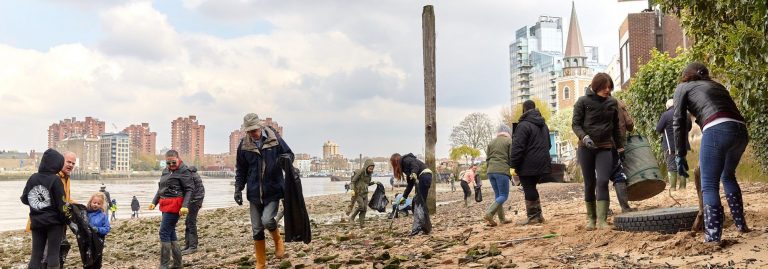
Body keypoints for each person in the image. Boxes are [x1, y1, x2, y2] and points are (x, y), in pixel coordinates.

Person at [672, 63, 749, 245]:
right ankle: (741, 225)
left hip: (717, 129)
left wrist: (679, 154)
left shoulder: (682, 87)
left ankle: (713, 237)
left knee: (708, 184)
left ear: (686, 76)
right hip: (740, 130)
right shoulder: (717, 85)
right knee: (728, 176)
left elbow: (679, 121)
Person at [233, 113, 294, 269]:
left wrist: (286, 160)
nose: (252, 133)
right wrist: (238, 189)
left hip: (273, 189)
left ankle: (278, 240)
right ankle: (261, 263)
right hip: (254, 193)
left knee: (267, 220)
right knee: (256, 228)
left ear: (260, 126)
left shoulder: (275, 139)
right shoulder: (243, 146)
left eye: (254, 130)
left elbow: (290, 155)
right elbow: (241, 169)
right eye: (249, 131)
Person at [572, 72, 623, 230]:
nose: (607, 90)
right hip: (585, 148)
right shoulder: (582, 101)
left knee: (602, 181)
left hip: (605, 147)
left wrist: (620, 147)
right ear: (596, 87)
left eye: (609, 87)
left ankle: (602, 220)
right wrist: (584, 137)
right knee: (589, 183)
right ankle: (591, 219)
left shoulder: (613, 103)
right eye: (604, 87)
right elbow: (575, 124)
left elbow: (616, 127)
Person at [21, 149, 66, 269]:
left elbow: (25, 199)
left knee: (36, 256)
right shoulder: (56, 180)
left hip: (36, 221)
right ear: (56, 164)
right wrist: (65, 220)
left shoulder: (33, 178)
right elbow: (62, 204)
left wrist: (38, 204)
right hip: (54, 224)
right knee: (53, 254)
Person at [149, 150, 194, 268]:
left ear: (178, 159)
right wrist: (154, 202)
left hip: (176, 204)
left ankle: (164, 265)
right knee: (170, 232)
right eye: (168, 163)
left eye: (173, 162)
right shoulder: (165, 171)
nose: (171, 165)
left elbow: (189, 189)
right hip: (164, 203)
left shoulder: (184, 170)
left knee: (163, 232)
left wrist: (185, 206)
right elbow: (160, 189)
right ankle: (178, 264)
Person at [509, 101, 552, 225]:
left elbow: (518, 148)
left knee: (528, 188)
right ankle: (538, 216)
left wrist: (513, 165)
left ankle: (533, 217)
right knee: (532, 187)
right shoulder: (544, 125)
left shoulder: (523, 125)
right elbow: (548, 145)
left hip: (528, 164)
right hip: (543, 162)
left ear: (524, 110)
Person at [390, 153, 432, 236]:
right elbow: (410, 185)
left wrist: (414, 173)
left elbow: (415, 165)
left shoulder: (406, 159)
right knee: (419, 202)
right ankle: (423, 226)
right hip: (424, 177)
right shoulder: (405, 167)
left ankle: (420, 227)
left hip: (424, 176)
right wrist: (404, 197)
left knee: (419, 203)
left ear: (396, 160)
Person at [657, 98, 691, 191]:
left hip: (670, 146)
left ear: (667, 106)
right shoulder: (686, 114)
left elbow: (658, 129)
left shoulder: (665, 115)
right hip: (683, 146)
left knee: (672, 166)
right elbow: (689, 127)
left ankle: (672, 188)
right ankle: (683, 187)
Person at [484, 124, 513, 226]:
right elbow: (511, 158)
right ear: (508, 133)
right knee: (503, 195)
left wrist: (489, 169)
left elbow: (487, 158)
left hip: (490, 171)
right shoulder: (509, 141)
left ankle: (502, 219)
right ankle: (489, 213)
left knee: (498, 196)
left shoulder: (491, 142)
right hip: (502, 171)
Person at [611, 97, 636, 212]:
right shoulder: (619, 104)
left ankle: (605, 209)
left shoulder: (595, 103)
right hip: (619, 142)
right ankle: (625, 207)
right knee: (619, 173)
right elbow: (630, 124)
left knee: (602, 176)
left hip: (602, 144)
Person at [182, 166, 205, 255]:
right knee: (188, 222)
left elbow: (189, 190)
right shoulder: (192, 174)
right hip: (195, 201)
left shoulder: (189, 176)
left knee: (190, 223)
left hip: (194, 201)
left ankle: (192, 247)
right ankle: (188, 245)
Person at [348, 159, 379, 227]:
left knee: (364, 208)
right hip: (357, 192)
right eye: (370, 168)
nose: (371, 169)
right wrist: (352, 190)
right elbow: (353, 182)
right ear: (366, 166)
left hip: (365, 193)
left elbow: (367, 184)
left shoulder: (369, 174)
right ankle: (352, 218)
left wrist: (374, 182)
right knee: (361, 206)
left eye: (372, 168)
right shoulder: (360, 172)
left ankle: (362, 223)